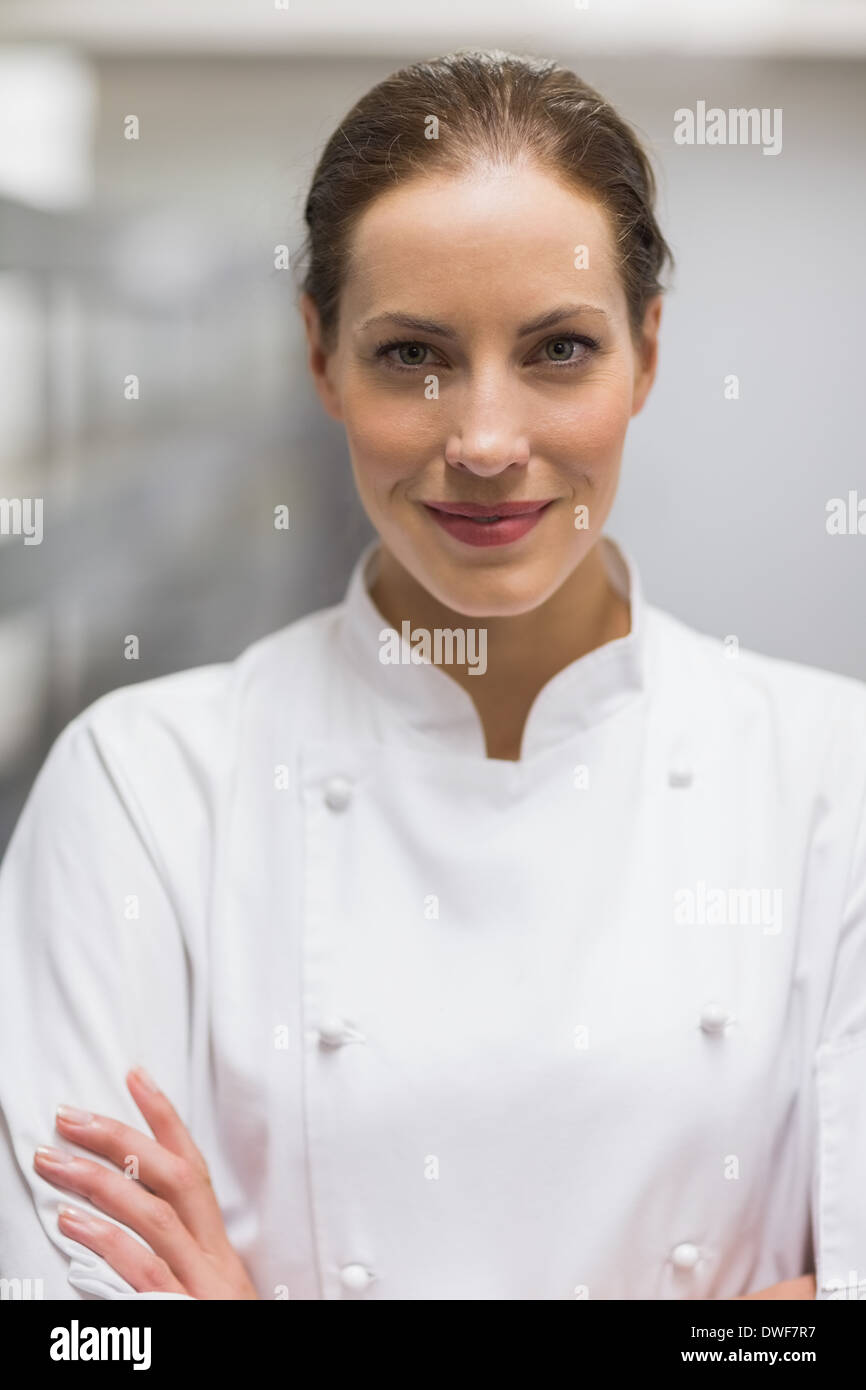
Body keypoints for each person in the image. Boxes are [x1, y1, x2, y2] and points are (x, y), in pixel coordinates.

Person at [0, 49, 863, 1302]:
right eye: (411, 355)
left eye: (558, 349)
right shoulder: (139, 791)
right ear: (319, 358)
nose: (485, 442)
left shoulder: (836, 783)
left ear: (648, 353)